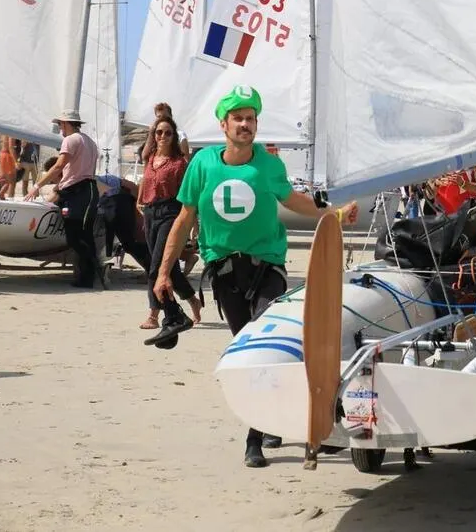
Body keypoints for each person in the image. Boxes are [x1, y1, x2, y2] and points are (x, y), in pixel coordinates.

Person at [150, 85, 359, 468]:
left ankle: (254, 438)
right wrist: (164, 273)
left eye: (251, 118)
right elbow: (183, 219)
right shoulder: (202, 164)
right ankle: (268, 420)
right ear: (224, 125)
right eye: (238, 118)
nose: (245, 124)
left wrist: (334, 214)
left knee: (267, 343)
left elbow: (293, 200)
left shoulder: (269, 165)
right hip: (224, 271)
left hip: (268, 267)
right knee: (249, 354)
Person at [137, 115, 203, 332]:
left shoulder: (179, 163)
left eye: (167, 133)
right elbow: (145, 180)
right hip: (150, 212)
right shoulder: (150, 158)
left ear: (174, 137)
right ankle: (192, 299)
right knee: (170, 268)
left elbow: (188, 197)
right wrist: (139, 199)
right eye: (159, 132)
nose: (162, 136)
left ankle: (155, 314)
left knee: (156, 266)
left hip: (171, 213)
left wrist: (193, 225)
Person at [25, 111, 105, 288]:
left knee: (79, 237)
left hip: (80, 191)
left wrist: (37, 185)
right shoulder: (90, 142)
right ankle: (88, 275)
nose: (59, 128)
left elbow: (59, 165)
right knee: (81, 236)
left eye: (60, 124)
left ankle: (89, 277)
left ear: (66, 123)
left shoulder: (70, 140)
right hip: (79, 191)